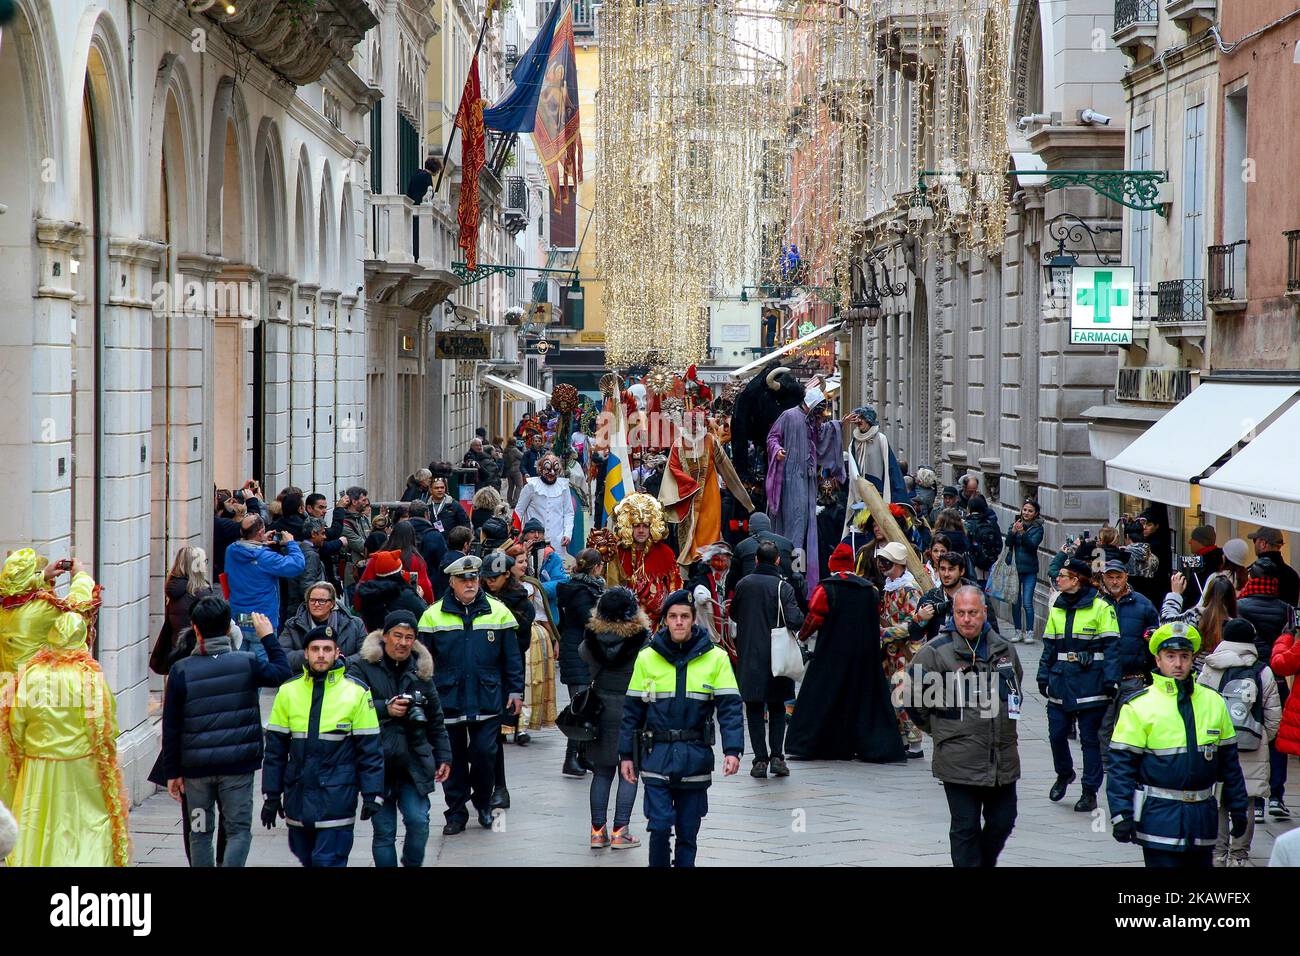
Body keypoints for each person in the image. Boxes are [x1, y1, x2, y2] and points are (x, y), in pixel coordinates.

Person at [1107, 621, 1250, 868]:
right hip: (1158, 818)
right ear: (1158, 660)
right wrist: (1121, 814)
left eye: (1184, 656)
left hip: (1202, 821)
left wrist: (1238, 807)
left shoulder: (1214, 702)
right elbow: (1121, 766)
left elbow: (1230, 765)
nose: (1178, 664)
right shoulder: (1138, 706)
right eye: (1170, 656)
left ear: (1192, 658)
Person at [618, 589, 743, 868]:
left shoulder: (716, 658)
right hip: (656, 754)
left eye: (684, 616)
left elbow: (730, 708)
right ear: (664, 620)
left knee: (688, 832)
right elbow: (632, 712)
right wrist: (626, 755)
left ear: (693, 619)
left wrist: (733, 750)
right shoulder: (647, 658)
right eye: (673, 616)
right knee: (659, 826)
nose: (678, 622)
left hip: (694, 755)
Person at [162, 600, 292, 867]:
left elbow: (171, 726)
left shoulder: (181, 670)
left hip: (196, 771)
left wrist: (172, 772)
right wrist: (267, 637)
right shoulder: (247, 663)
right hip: (237, 766)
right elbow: (282, 673)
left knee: (199, 831)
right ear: (227, 628)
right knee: (238, 830)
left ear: (195, 629)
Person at [1, 609, 129, 866]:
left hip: (38, 765)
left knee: (38, 823)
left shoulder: (31, 674)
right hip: (80, 765)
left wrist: (28, 751)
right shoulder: (89, 676)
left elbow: (16, 723)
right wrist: (105, 757)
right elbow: (102, 725)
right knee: (83, 822)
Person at [907, 586, 1023, 867]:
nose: (967, 619)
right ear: (953, 614)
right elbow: (913, 700)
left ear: (984, 613)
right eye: (961, 613)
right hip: (958, 758)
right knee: (965, 828)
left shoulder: (1004, 650)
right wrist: (943, 730)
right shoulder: (935, 652)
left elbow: (1015, 691)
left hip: (1001, 757)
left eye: (973, 613)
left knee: (1003, 821)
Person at [261, 622, 385, 867]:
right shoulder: (288, 691)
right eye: (315, 649)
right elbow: (275, 751)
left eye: (327, 649)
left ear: (337, 652)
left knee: (326, 861)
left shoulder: (356, 692)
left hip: (338, 796)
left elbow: (370, 749)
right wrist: (271, 795)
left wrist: (372, 794)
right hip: (298, 796)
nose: (321, 654)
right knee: (306, 857)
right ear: (305, 653)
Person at [418, 555, 525, 834]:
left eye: (474, 578)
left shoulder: (499, 612)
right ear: (451, 582)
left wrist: (515, 691)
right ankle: (455, 812)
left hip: (487, 696)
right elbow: (422, 664)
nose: (470, 584)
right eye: (464, 579)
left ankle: (483, 803)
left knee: (484, 754)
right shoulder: (432, 615)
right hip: (448, 698)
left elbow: (512, 658)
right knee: (450, 757)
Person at [346, 610, 452, 867]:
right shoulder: (360, 666)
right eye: (397, 635)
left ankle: (412, 863)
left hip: (413, 761)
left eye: (408, 637)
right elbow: (350, 708)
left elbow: (436, 720)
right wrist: (385, 708)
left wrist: (444, 756)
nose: (402, 642)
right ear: (384, 636)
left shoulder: (421, 671)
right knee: (384, 832)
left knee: (419, 822)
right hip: (376, 763)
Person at [786, 545, 905, 762]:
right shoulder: (869, 590)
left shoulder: (826, 589)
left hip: (831, 654)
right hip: (863, 657)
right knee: (862, 699)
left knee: (823, 698)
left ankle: (816, 745)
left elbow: (814, 618)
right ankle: (866, 745)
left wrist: (801, 637)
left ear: (832, 565)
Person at [1197, 617, 1281, 866]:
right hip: (1251, 743)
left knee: (1220, 798)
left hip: (1217, 742)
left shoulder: (1211, 666)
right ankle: (1240, 854)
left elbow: (1199, 706)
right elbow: (1274, 714)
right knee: (1247, 799)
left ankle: (1218, 852)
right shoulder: (1262, 670)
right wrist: (1262, 735)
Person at [1038, 557, 1120, 812]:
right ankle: (1064, 773)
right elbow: (1049, 646)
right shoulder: (1058, 607)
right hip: (1061, 680)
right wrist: (1042, 675)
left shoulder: (1101, 607)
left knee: (1089, 740)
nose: (1058, 579)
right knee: (1056, 734)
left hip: (1090, 682)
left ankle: (1089, 791)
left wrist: (1110, 680)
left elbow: (1112, 647)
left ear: (1076, 580)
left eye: (1062, 575)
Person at [729, 541, 804, 777]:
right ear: (778, 561)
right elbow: (795, 620)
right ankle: (777, 757)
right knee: (777, 707)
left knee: (753, 708)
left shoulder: (743, 584)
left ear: (757, 560)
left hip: (750, 653)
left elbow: (734, 614)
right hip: (777, 655)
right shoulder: (784, 587)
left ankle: (759, 760)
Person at [580, 587, 647, 850]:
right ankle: (621, 831)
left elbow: (584, 655)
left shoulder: (590, 639)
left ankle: (597, 832)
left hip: (600, 708)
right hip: (632, 708)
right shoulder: (642, 640)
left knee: (602, 770)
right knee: (629, 770)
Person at [765, 382, 843, 592]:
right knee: (796, 523)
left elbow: (821, 436)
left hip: (808, 481)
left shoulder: (812, 422)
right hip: (791, 479)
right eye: (818, 412)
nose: (820, 417)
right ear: (811, 406)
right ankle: (792, 572)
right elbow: (772, 437)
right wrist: (778, 450)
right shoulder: (789, 416)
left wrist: (839, 425)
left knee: (806, 524)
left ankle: (799, 573)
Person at [1236, 558, 1293, 820]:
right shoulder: (1286, 609)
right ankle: (1276, 797)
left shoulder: (1240, 606)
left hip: (1250, 677)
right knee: (1276, 739)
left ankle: (1255, 800)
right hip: (1278, 679)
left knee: (1251, 736)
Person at [481, 551, 536, 806]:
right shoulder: (481, 598)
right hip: (479, 671)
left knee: (492, 734)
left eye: (494, 577)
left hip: (501, 673)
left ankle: (499, 787)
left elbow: (519, 644)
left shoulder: (521, 602)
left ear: (506, 575)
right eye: (487, 577)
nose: (489, 581)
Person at [1097, 560, 1160, 764]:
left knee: (1131, 725)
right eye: (1110, 577)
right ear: (1103, 579)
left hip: (1133, 677)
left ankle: (1126, 763)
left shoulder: (1142, 603)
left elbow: (1155, 635)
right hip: (1103, 677)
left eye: (1118, 577)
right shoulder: (1095, 603)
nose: (1114, 581)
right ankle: (1106, 764)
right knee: (1103, 726)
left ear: (1126, 577)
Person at [0, 549, 99, 678]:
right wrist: (81, 576)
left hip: (7, 684)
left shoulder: (4, 605)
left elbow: (16, 586)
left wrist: (44, 575)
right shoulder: (42, 608)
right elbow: (77, 611)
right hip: (35, 685)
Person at [556, 549, 605, 777]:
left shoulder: (581, 588)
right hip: (577, 653)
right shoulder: (582, 592)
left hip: (577, 651)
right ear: (595, 568)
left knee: (585, 704)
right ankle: (570, 758)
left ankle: (583, 756)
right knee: (580, 707)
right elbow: (592, 622)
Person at [876, 541, 925, 758]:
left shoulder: (910, 589)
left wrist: (884, 633)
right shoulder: (889, 586)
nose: (881, 565)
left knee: (904, 696)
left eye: (885, 561)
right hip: (890, 652)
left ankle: (916, 744)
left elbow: (913, 623)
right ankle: (903, 740)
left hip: (906, 652)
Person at [224, 513, 305, 641]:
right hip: (263, 620)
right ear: (261, 532)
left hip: (238, 617)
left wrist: (260, 542)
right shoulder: (265, 558)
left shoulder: (231, 551)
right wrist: (291, 543)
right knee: (263, 659)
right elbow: (297, 565)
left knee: (240, 659)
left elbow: (248, 551)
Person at [603, 492, 682, 619]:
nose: (641, 531)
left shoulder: (665, 553)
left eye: (645, 526)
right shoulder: (617, 553)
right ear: (628, 526)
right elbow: (610, 591)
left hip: (658, 623)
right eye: (636, 526)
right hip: (625, 622)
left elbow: (675, 587)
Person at [910, 551, 998, 644]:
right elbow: (914, 636)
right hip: (939, 655)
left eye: (951, 569)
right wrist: (920, 619)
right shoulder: (930, 598)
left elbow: (993, 634)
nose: (946, 574)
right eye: (943, 569)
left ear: (962, 571)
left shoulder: (977, 597)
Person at [152, 546, 216, 673]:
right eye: (204, 561)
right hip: (197, 654)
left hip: (176, 651)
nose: (205, 565)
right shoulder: (200, 593)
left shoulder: (174, 590)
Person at [355, 520, 434, 603]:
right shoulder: (416, 560)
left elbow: (365, 582)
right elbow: (425, 586)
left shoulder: (378, 557)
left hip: (379, 606)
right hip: (408, 605)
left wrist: (358, 605)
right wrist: (429, 604)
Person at [514, 452, 575, 552]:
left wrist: (567, 534)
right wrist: (517, 538)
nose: (551, 473)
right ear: (540, 469)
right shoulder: (531, 486)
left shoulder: (564, 487)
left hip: (557, 542)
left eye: (555, 469)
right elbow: (518, 512)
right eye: (547, 468)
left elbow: (569, 513)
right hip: (534, 541)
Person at [1003, 498, 1043, 643]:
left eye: (1030, 511)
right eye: (1024, 510)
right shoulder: (1015, 523)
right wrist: (1013, 532)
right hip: (1015, 568)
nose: (1026, 513)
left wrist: (1022, 533)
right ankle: (1018, 630)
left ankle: (1030, 632)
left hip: (1030, 569)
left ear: (1035, 513)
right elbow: (1008, 543)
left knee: (1027, 602)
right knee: (1015, 602)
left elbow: (1032, 546)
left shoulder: (1038, 528)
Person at [406, 501, 449, 597]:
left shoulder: (400, 533)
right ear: (426, 514)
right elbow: (442, 563)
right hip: (430, 585)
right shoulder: (435, 536)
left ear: (409, 514)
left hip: (403, 584)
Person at [1249, 527, 1299, 606]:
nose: (1254, 544)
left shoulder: (1253, 571)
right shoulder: (1292, 574)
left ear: (1263, 544)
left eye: (1255, 540)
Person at [1179, 525, 1225, 606]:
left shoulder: (1205, 560)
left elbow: (1192, 590)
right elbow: (1182, 562)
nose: (1189, 542)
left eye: (1192, 539)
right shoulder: (1217, 555)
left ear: (1201, 542)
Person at [505, 438, 525, 507]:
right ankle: (515, 502)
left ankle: (509, 501)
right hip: (516, 470)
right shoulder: (514, 450)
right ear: (514, 443)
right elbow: (523, 456)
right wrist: (523, 448)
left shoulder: (506, 450)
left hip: (508, 470)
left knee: (511, 487)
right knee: (519, 486)